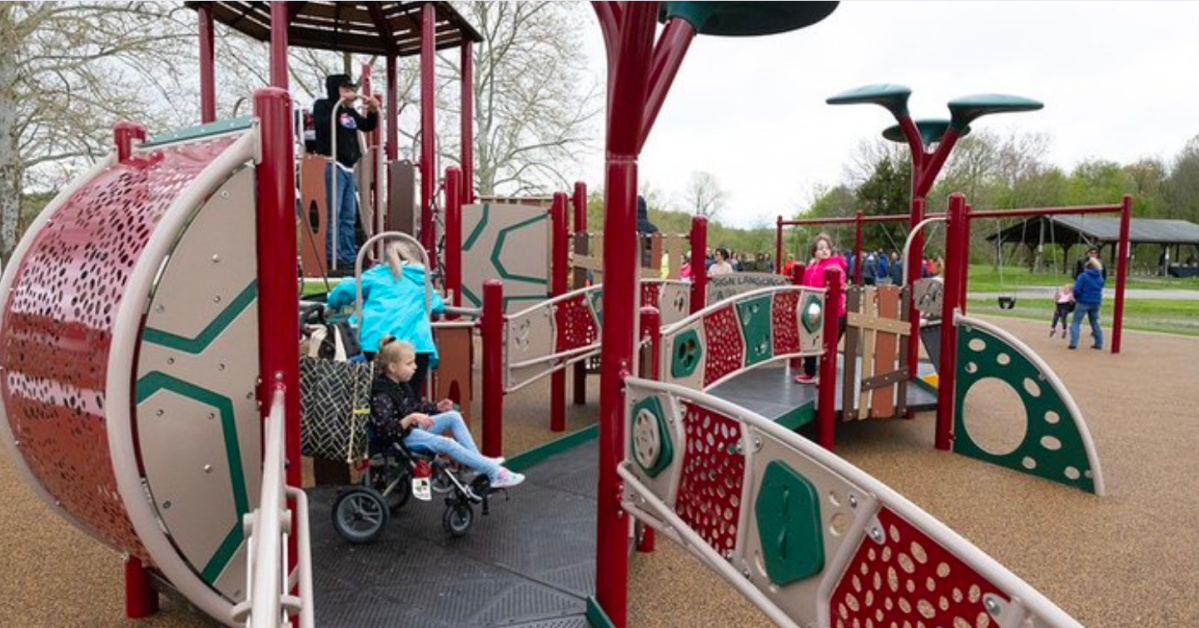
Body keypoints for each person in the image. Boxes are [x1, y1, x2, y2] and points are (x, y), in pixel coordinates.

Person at [371, 337, 524, 489]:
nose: (415, 367)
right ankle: (494, 472)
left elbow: (413, 406)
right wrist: (412, 417)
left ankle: (478, 463)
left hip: (410, 429)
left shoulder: (399, 385)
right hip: (399, 438)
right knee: (447, 443)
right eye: (409, 363)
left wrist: (436, 407)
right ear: (392, 367)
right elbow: (386, 430)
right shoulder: (382, 394)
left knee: (453, 416)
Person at [327, 240, 443, 395]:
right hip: (415, 345)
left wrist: (334, 303)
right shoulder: (422, 279)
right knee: (411, 397)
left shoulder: (377, 274)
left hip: (376, 342)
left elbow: (345, 288)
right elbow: (436, 306)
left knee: (370, 396)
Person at [313, 73, 379, 271]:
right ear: (336, 90)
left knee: (349, 215)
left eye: (352, 89)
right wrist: (339, 105)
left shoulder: (349, 112)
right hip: (332, 163)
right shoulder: (324, 106)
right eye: (346, 89)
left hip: (349, 167)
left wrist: (373, 111)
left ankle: (349, 255)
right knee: (334, 212)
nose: (351, 92)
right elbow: (323, 125)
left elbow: (367, 126)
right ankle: (333, 255)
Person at [795, 234, 847, 384]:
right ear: (814, 252)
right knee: (810, 340)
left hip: (833, 312)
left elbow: (839, 283)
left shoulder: (834, 266)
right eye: (820, 248)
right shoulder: (811, 267)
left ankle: (824, 376)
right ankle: (810, 372)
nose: (824, 251)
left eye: (827, 248)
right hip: (815, 312)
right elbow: (805, 286)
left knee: (827, 345)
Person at [1069, 257, 1105, 350]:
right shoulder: (1100, 277)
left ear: (1087, 267)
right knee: (1094, 322)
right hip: (1096, 302)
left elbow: (1077, 289)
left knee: (1076, 322)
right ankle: (1099, 342)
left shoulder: (1083, 276)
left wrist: (1076, 297)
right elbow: (1101, 287)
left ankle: (1074, 343)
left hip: (1083, 301)